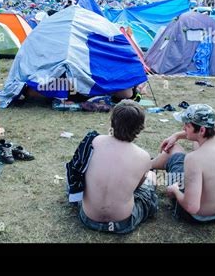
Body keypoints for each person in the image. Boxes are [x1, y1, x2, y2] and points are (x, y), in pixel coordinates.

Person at [66, 100, 158, 234]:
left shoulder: (93, 141)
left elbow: (77, 170)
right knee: (152, 176)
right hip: (123, 223)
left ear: (112, 121)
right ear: (140, 127)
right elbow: (136, 188)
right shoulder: (144, 157)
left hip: (88, 218)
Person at [151, 104, 215, 223]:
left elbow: (191, 207)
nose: (183, 128)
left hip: (198, 217)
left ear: (202, 130)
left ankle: (147, 165)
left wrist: (175, 190)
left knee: (175, 151)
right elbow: (202, 136)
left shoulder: (194, 159)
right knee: (196, 143)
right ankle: (149, 164)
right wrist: (177, 135)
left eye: (187, 125)